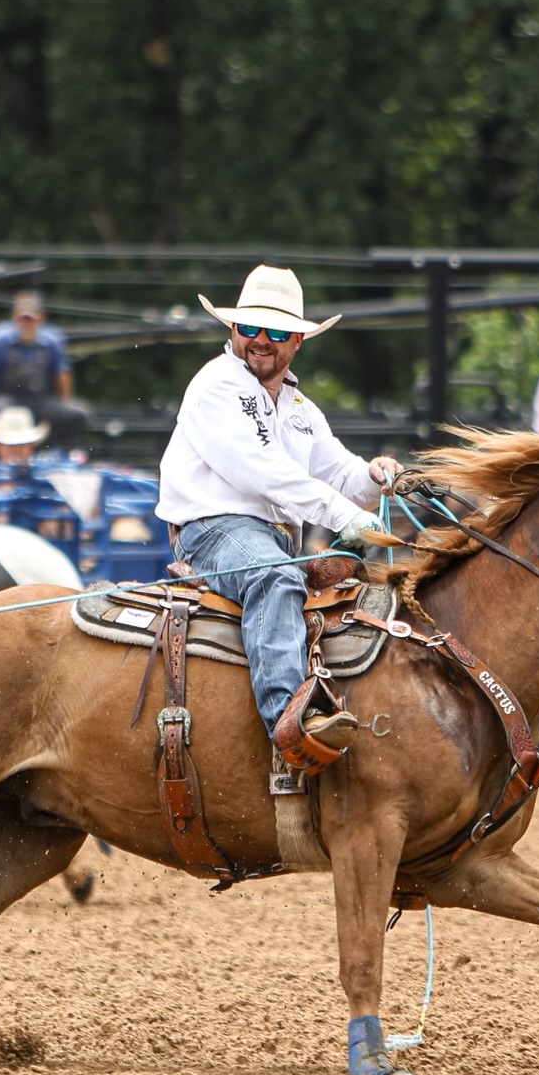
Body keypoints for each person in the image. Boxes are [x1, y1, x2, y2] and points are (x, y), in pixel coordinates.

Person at [156, 264, 402, 770]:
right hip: (212, 532)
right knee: (274, 578)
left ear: (298, 342)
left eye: (276, 332)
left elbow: (340, 471)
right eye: (250, 328)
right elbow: (264, 474)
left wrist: (376, 475)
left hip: (269, 536)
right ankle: (289, 727)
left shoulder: (299, 408)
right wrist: (342, 516)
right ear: (232, 331)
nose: (261, 341)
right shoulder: (217, 386)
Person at [0, 289, 86, 450]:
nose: (26, 323)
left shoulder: (51, 342)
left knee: (74, 414)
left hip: (39, 401)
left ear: (40, 318)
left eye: (30, 319)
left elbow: (62, 377)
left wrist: (62, 406)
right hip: (8, 400)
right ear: (15, 318)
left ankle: (57, 453)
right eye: (22, 319)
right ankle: (2, 454)